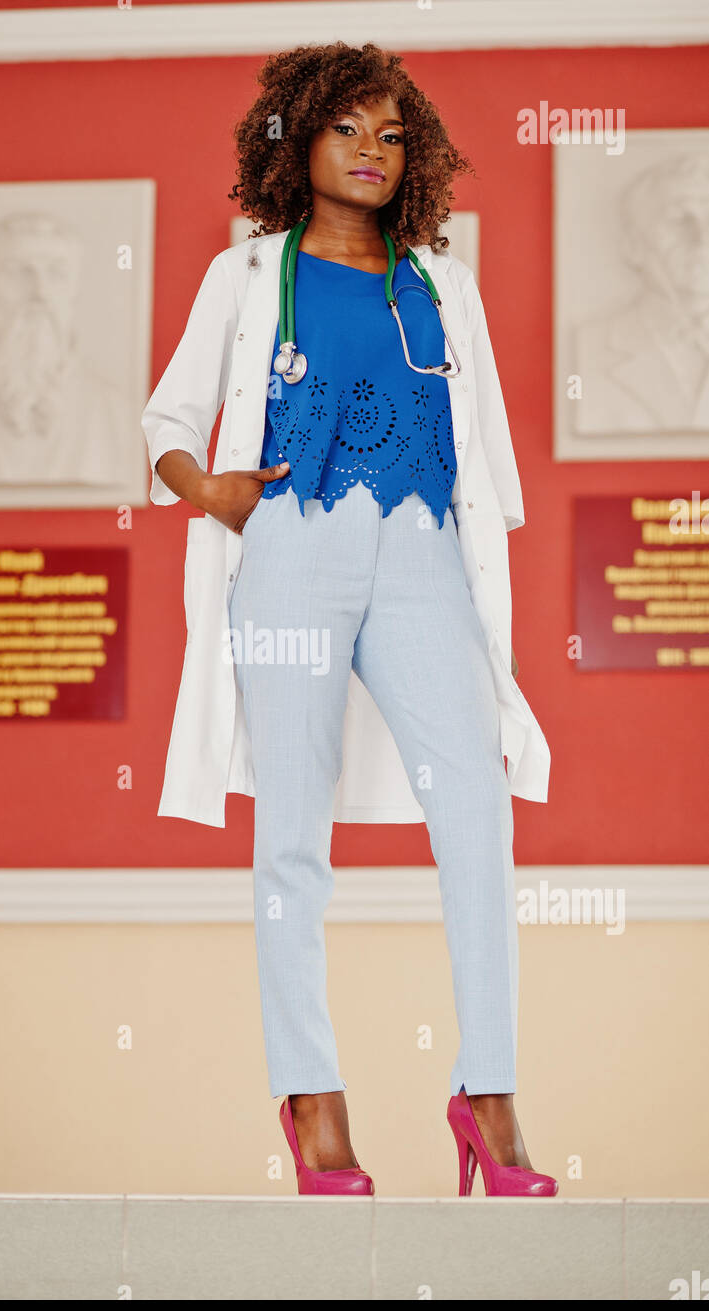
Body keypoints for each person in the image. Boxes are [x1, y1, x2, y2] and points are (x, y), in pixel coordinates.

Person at [142, 41, 557, 1198]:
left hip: (426, 551)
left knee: (476, 803)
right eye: (346, 131)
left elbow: (485, 463)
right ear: (296, 140)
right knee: (293, 828)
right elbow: (165, 418)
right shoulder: (245, 276)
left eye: (391, 136)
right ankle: (311, 1095)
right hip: (291, 547)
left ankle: (488, 1091)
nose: (371, 152)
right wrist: (209, 488)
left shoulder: (441, 278)